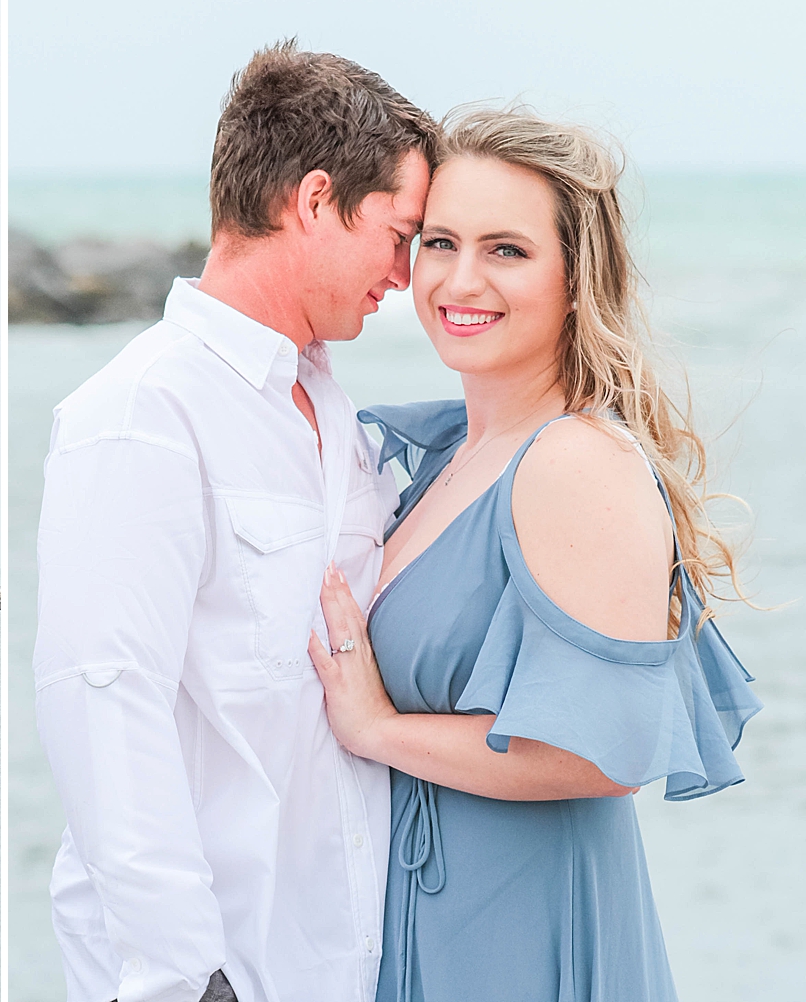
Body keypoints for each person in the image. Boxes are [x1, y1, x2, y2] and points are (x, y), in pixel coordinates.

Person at [309, 108, 761, 1002]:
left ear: (576, 277)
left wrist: (376, 730)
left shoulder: (571, 460)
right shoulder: (448, 455)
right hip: (433, 921)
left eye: (507, 250)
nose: (460, 278)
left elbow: (604, 755)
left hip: (523, 930)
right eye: (439, 241)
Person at [33, 40, 438, 1002]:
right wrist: (189, 978)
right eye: (399, 233)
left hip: (342, 963)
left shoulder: (336, 418)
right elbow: (103, 706)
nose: (407, 272)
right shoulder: (141, 415)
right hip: (222, 978)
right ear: (312, 201)